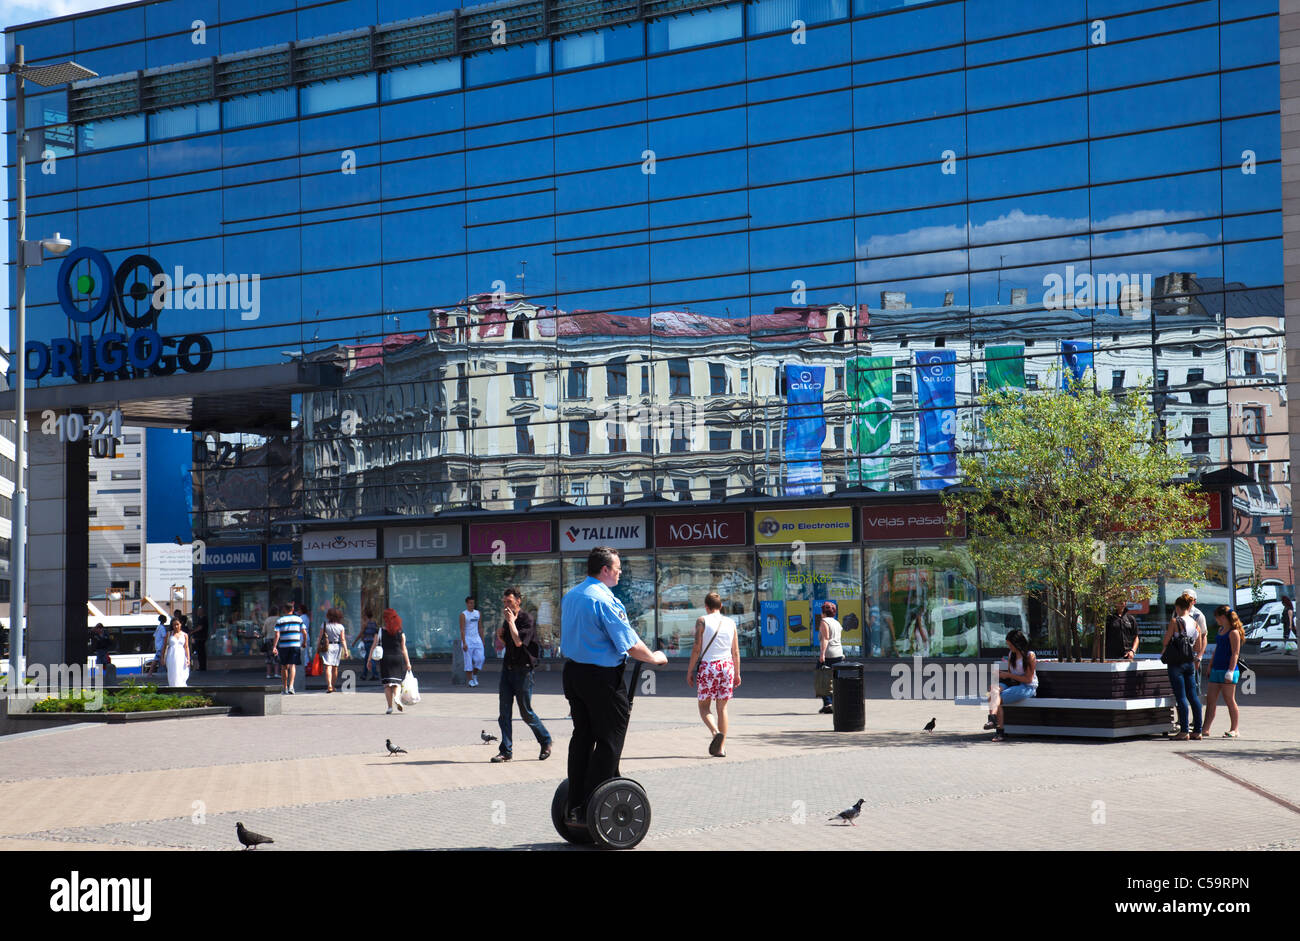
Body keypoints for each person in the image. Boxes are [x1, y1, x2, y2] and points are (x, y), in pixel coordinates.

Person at [559, 546, 667, 823]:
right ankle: (592, 805)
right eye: (617, 568)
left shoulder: (571, 596)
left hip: (573, 674)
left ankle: (575, 802)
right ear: (605, 569)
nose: (620, 572)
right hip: (601, 679)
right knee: (609, 740)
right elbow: (629, 643)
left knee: (582, 736)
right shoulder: (604, 601)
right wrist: (654, 658)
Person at [491, 587, 552, 762]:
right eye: (504, 602)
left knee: (526, 712)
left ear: (518, 601)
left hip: (524, 671)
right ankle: (505, 751)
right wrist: (501, 636)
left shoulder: (526, 619)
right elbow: (509, 642)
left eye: (509, 601)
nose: (506, 605)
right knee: (504, 712)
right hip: (507, 670)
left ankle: (545, 740)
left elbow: (518, 642)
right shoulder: (507, 620)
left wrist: (510, 622)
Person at [686, 591, 741, 757]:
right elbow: (736, 651)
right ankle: (721, 747)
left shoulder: (702, 621)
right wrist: (737, 673)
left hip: (709, 667)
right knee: (722, 708)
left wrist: (689, 671)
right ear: (721, 606)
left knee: (704, 706)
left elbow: (696, 648)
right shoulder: (731, 622)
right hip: (727, 666)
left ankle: (715, 731)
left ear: (706, 606)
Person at [1162, 595, 1205, 741]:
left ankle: (1184, 730)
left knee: (1181, 697)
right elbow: (1198, 646)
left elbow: (1166, 641)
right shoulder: (1195, 623)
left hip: (1176, 663)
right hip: (1189, 663)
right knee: (1193, 696)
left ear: (1178, 607)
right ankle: (1198, 730)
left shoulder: (1175, 621)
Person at [985, 628, 1038, 741]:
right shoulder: (1011, 654)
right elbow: (1011, 675)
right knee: (993, 690)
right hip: (1013, 683)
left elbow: (1028, 679)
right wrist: (1002, 676)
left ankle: (999, 732)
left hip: (1027, 687)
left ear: (1017, 643)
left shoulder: (1030, 655)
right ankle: (992, 719)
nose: (1009, 647)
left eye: (1010, 645)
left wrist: (1008, 675)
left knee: (997, 698)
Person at [1203, 605, 1244, 738]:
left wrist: (1230, 671)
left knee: (1229, 700)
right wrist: (1210, 665)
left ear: (1222, 617)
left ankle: (1235, 729)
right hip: (1216, 669)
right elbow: (1217, 649)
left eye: (1217, 617)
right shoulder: (1221, 630)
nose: (1216, 620)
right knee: (1211, 700)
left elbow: (1235, 653)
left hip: (1228, 670)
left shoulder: (1233, 632)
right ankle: (1206, 728)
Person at [372, 608, 411, 714]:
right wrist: (408, 663)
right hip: (398, 658)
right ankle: (397, 698)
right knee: (396, 683)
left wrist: (369, 660)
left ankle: (389, 707)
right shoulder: (400, 631)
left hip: (385, 659)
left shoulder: (380, 631)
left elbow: (374, 645)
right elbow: (404, 648)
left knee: (387, 684)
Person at [816, 602, 843, 715]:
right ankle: (834, 703)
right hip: (838, 653)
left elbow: (826, 638)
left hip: (829, 653)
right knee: (834, 679)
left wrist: (822, 654)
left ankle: (828, 704)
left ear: (823, 612)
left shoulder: (824, 622)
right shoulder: (837, 623)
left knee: (822, 678)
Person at [272, 602, 306, 695]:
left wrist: (274, 646)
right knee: (293, 666)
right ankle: (291, 686)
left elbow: (277, 634)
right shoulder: (298, 619)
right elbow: (304, 632)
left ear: (284, 610)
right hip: (295, 645)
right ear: (293, 609)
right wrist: (304, 642)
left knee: (284, 666)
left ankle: (285, 687)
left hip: (284, 646)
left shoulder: (280, 620)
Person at [320, 608, 348, 694]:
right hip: (337, 646)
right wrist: (346, 650)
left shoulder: (324, 625)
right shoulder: (340, 627)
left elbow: (320, 637)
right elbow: (343, 639)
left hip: (327, 646)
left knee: (327, 666)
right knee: (335, 667)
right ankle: (333, 685)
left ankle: (329, 685)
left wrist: (318, 648)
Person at [460, 596, 485, 687]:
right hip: (467, 639)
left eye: (473, 603)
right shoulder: (463, 614)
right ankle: (470, 680)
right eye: (470, 603)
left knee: (480, 659)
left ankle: (474, 675)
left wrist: (482, 640)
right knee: (468, 661)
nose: (472, 605)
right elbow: (462, 629)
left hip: (477, 639)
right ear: (467, 604)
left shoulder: (477, 613)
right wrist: (464, 642)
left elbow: (480, 627)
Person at [164, 617, 191, 688]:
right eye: (174, 625)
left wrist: (188, 659)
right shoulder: (169, 634)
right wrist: (162, 658)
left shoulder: (185, 635)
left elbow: (186, 647)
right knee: (173, 672)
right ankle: (173, 687)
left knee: (181, 671)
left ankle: (181, 687)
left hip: (181, 656)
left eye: (177, 624)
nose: (176, 626)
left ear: (180, 624)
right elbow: (164, 646)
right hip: (171, 655)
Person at [357, 608, 380, 680]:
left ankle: (374, 675)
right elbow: (376, 632)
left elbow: (361, 633)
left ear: (366, 615)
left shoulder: (365, 623)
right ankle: (364, 674)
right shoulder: (375, 623)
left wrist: (355, 642)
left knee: (370, 659)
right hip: (373, 642)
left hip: (367, 643)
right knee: (368, 659)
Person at [261, 608, 282, 680]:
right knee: (277, 656)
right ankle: (276, 673)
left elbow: (264, 631)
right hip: (277, 639)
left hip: (268, 639)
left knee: (268, 657)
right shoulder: (279, 619)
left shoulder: (267, 620)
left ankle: (268, 674)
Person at [190, 607, 209, 672]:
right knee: (199, 653)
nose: (197, 612)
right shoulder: (199, 619)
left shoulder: (204, 619)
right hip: (198, 638)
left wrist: (193, 631)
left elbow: (200, 627)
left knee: (201, 652)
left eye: (199, 611)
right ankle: (201, 666)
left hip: (201, 638)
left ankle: (202, 667)